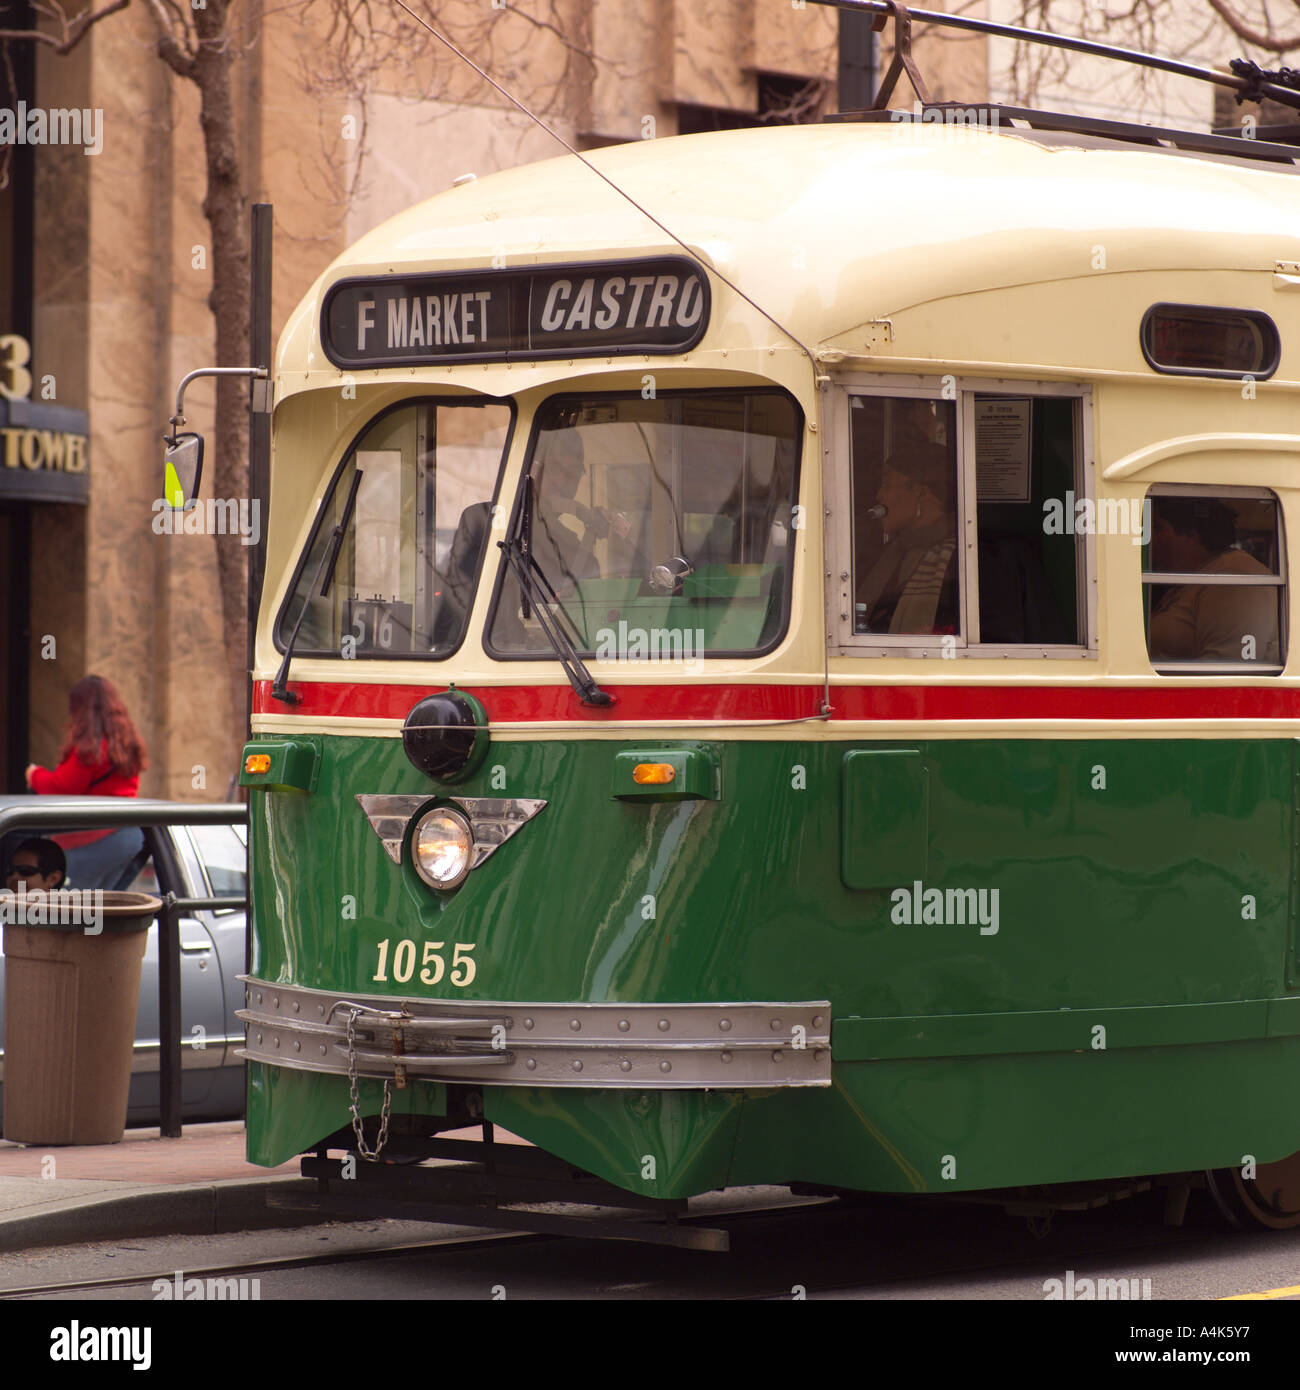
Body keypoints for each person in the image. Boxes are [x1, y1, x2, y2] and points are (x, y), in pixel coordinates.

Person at [25, 674, 148, 889]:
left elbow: (61, 788)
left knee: (66, 911)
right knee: (104, 908)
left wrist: (34, 774)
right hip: (130, 836)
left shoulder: (90, 746)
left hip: (92, 838)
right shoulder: (125, 743)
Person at [1147, 498, 1279, 664]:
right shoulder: (1196, 576)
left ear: (1190, 534)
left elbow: (1228, 666)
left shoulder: (1234, 576)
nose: (1150, 539)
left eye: (1158, 528)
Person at [857, 441, 959, 634]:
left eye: (886, 485)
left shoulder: (954, 559)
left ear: (921, 492)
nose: (879, 496)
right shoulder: (892, 551)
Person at [530, 429, 630, 594]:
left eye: (572, 472)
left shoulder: (580, 557)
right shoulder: (482, 524)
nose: (562, 480)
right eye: (553, 468)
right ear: (532, 471)